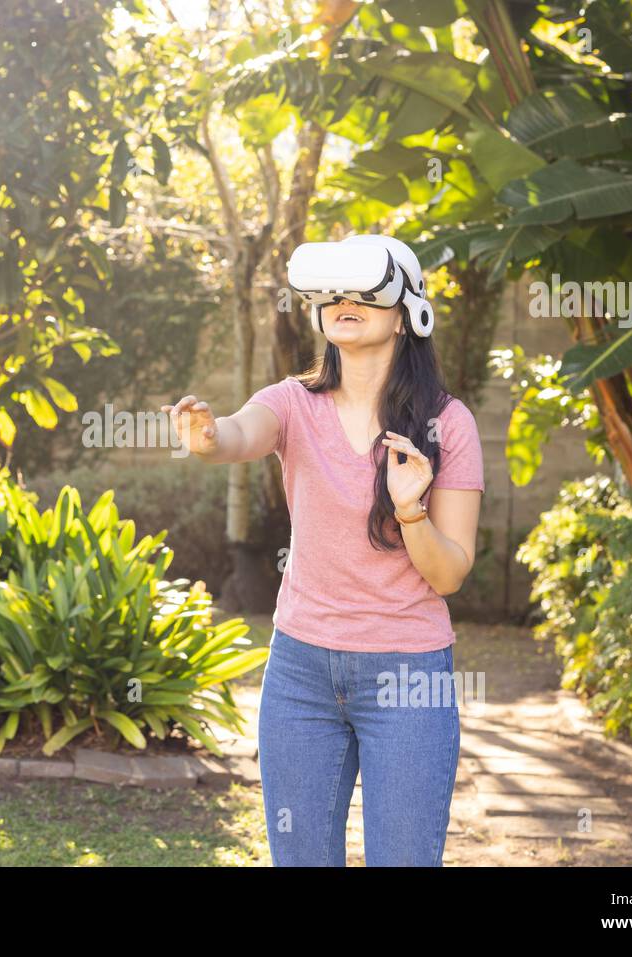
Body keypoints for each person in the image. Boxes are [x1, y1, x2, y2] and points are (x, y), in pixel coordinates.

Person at [163, 234, 484, 866]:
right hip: (300, 672)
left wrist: (410, 507)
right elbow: (235, 435)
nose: (343, 301)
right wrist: (207, 436)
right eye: (331, 292)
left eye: (363, 291)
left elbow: (449, 575)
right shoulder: (291, 404)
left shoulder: (448, 425)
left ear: (408, 311)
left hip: (407, 675)